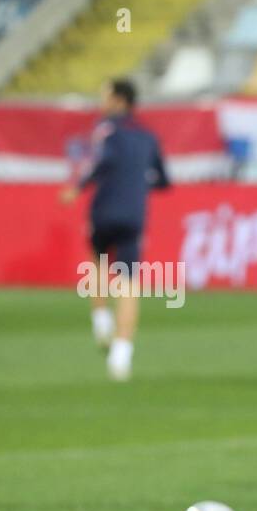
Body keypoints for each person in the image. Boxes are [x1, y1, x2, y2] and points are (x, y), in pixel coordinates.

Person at [60, 79, 170, 381]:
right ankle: (122, 356)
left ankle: (100, 319)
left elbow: (102, 163)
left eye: (106, 96)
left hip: (105, 210)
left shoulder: (106, 130)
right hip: (134, 215)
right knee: (129, 284)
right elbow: (163, 180)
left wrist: (78, 187)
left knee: (97, 262)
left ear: (120, 100)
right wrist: (138, 181)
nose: (102, 101)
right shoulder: (149, 137)